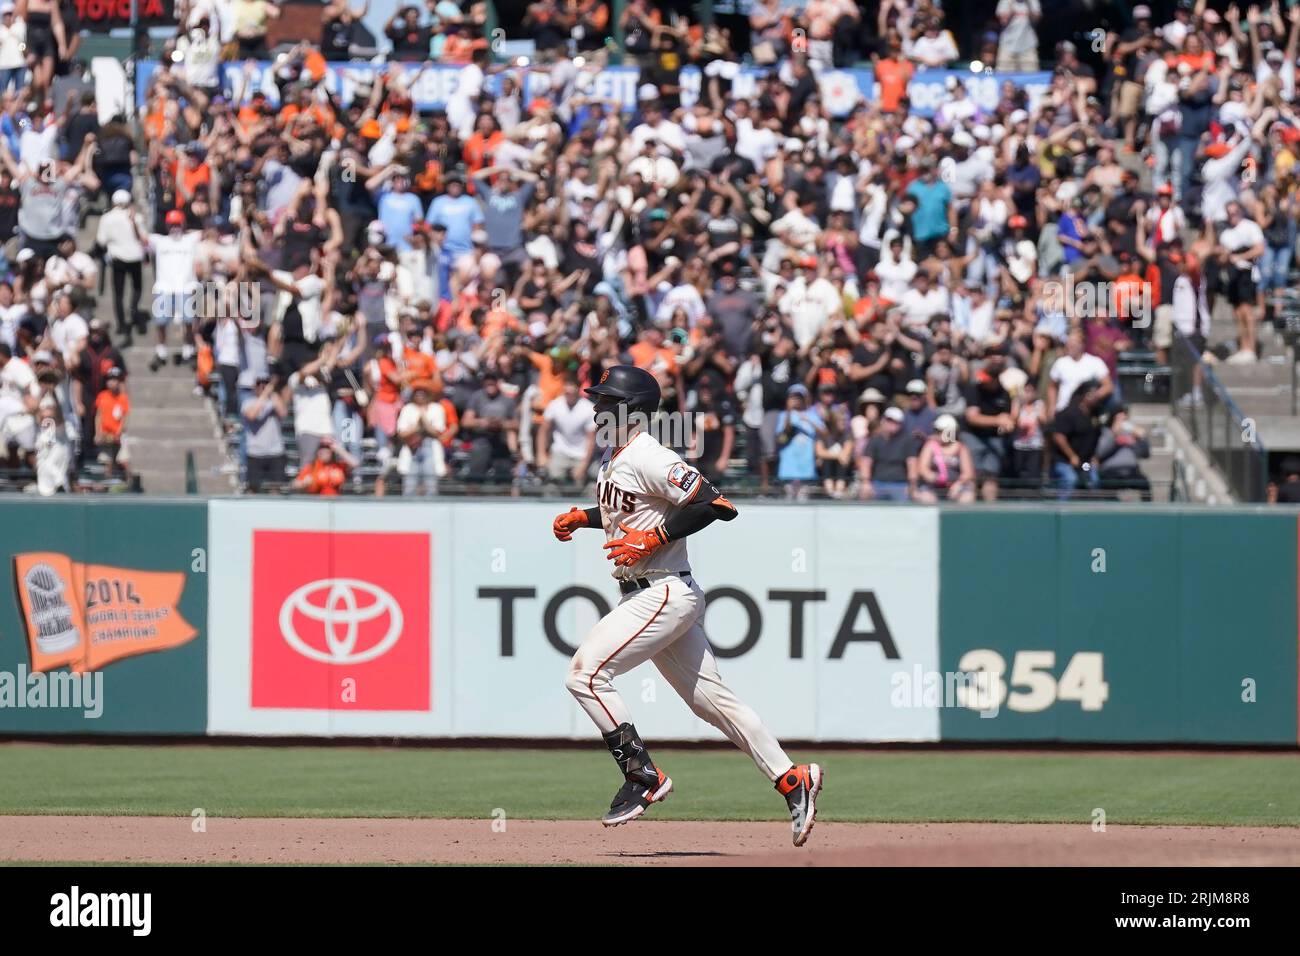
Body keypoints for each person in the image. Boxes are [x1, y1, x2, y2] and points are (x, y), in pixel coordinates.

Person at [551, 364, 823, 846]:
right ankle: (791, 779)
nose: (596, 408)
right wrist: (587, 517)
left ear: (629, 411)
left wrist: (654, 537)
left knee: (585, 674)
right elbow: (632, 511)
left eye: (605, 402)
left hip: (661, 590)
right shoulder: (618, 456)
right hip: (653, 590)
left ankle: (643, 776)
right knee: (712, 703)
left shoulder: (651, 455)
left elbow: (716, 504)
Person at [1051, 380, 1103, 500]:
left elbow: (1094, 438)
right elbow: (1058, 436)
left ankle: (1088, 513)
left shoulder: (1095, 414)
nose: (1096, 396)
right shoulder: (1069, 413)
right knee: (1070, 479)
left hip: (1085, 463)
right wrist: (1071, 456)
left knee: (1093, 480)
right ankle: (1061, 512)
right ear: (1085, 395)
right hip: (1064, 461)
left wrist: (1094, 456)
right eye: (1092, 393)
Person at [915, 413, 976, 503]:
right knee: (925, 497)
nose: (938, 434)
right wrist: (932, 477)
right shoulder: (930, 445)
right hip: (934, 486)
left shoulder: (961, 448)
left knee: (967, 497)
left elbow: (968, 473)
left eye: (941, 431)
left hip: (956, 486)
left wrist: (958, 484)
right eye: (937, 431)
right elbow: (922, 468)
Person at [862, 406, 917, 502]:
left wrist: (912, 486)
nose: (893, 424)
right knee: (865, 496)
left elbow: (912, 463)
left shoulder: (907, 441)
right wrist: (866, 482)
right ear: (883, 420)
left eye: (896, 422)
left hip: (900, 485)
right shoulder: (875, 440)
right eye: (890, 420)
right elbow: (866, 462)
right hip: (877, 484)